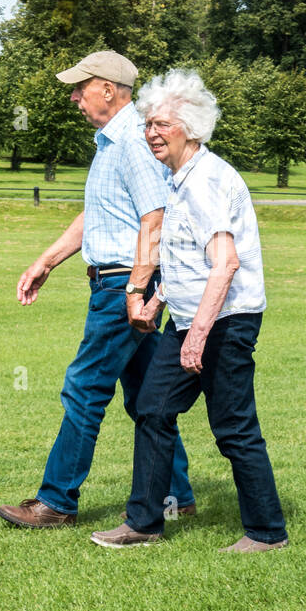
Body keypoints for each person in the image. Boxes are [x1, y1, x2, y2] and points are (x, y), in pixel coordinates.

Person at [90, 69, 288, 553]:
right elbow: (185, 264)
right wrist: (157, 302)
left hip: (225, 321)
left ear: (191, 128)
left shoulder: (205, 182)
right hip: (190, 318)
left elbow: (224, 265)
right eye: (147, 124)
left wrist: (197, 336)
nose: (150, 133)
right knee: (153, 409)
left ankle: (267, 532)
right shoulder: (178, 179)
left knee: (234, 427)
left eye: (161, 125)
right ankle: (144, 523)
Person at [0, 51, 195, 529]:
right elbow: (101, 215)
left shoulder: (131, 140)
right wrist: (48, 260)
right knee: (146, 396)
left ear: (108, 88)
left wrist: (135, 288)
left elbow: (155, 218)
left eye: (79, 86)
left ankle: (56, 502)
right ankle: (177, 494)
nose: (73, 96)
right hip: (122, 281)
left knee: (84, 388)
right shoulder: (111, 142)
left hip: (124, 285)